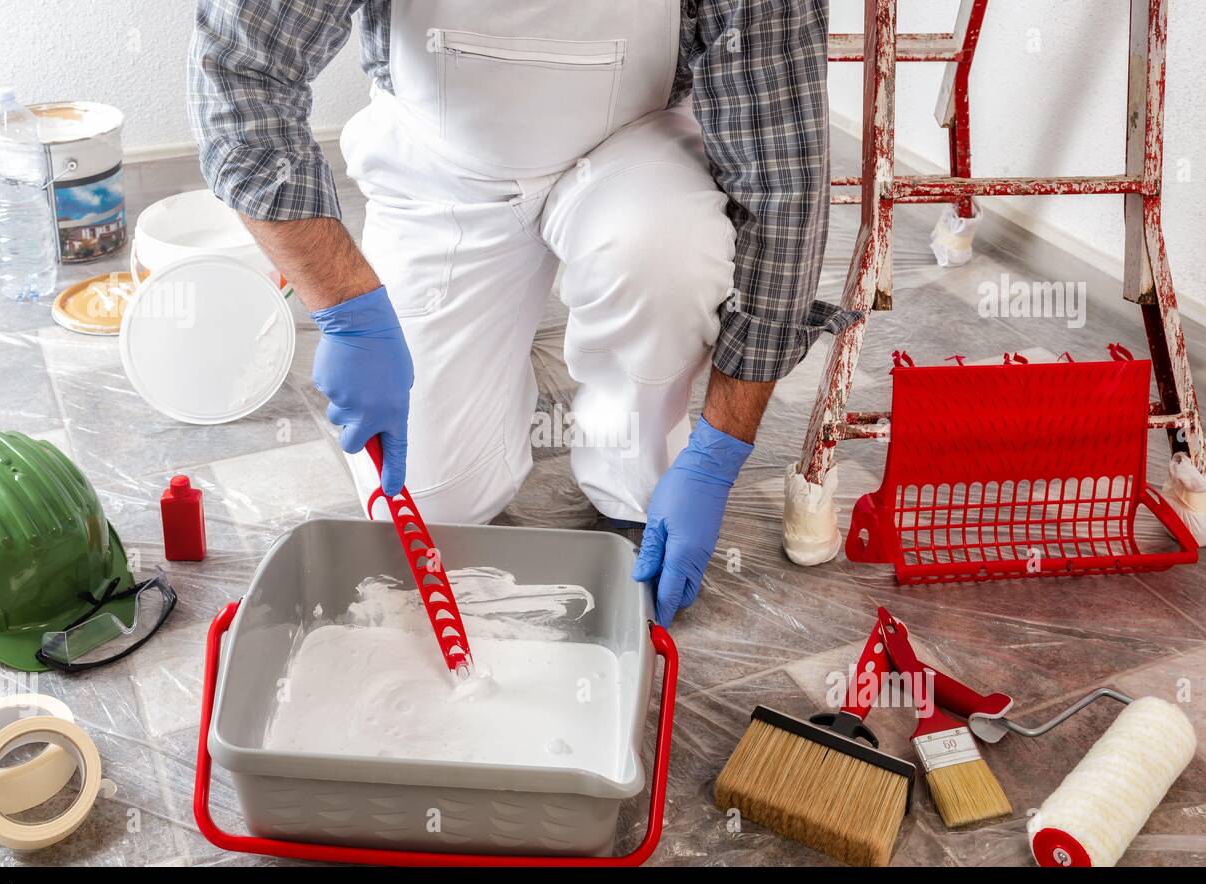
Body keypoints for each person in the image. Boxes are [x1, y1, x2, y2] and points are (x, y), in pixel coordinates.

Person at [189, 0, 846, 627]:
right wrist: (348, 310)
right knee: (429, 502)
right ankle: (497, 395)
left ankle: (631, 476)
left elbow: (782, 186)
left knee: (667, 253)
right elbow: (241, 76)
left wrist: (717, 452)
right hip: (440, 166)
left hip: (631, 152)